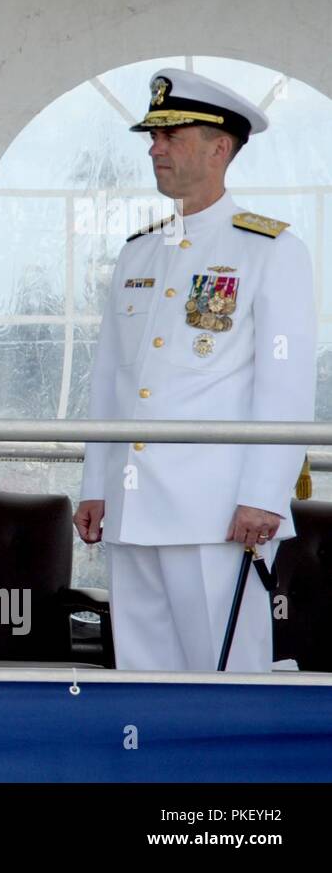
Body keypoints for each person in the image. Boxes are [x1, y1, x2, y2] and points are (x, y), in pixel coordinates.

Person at [74, 67, 316, 672]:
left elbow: (283, 384)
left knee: (228, 677)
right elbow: (111, 378)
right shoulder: (139, 250)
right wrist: (97, 485)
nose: (154, 149)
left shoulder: (270, 249)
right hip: (134, 509)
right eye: (152, 138)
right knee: (144, 677)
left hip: (217, 512)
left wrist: (264, 495)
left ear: (220, 147)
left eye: (171, 136)